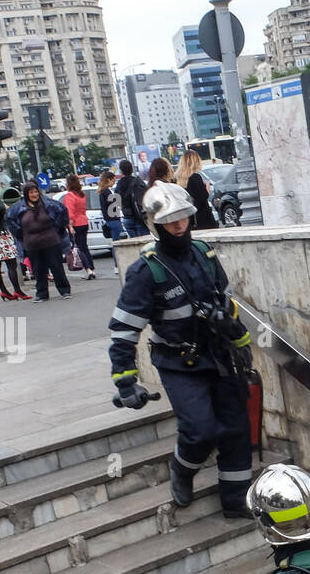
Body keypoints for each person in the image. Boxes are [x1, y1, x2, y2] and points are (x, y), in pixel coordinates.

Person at [107, 182, 252, 512]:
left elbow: (227, 300)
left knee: (235, 428)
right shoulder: (146, 270)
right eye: (171, 220)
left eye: (183, 217)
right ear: (156, 224)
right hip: (179, 363)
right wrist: (126, 380)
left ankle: (235, 500)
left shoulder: (204, 253)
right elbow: (124, 330)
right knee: (200, 431)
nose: (178, 225)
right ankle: (181, 470)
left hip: (219, 355)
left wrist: (233, 329)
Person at [7, 181, 70, 302]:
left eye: (36, 191)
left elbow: (63, 211)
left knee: (57, 267)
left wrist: (58, 227)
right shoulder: (19, 207)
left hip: (51, 241)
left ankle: (64, 290)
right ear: (26, 194)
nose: (34, 194)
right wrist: (20, 234)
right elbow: (9, 219)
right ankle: (42, 293)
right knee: (38, 270)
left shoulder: (48, 203)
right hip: (32, 244)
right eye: (31, 192)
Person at [63, 173, 96, 280]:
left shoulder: (69, 196)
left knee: (78, 248)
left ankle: (88, 270)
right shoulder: (81, 194)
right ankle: (91, 268)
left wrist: (70, 226)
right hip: (84, 222)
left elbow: (70, 212)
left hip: (76, 223)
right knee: (84, 247)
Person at [176, 149, 218, 231]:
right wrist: (207, 187)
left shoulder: (178, 179)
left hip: (187, 219)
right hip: (202, 219)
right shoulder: (195, 177)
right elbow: (203, 198)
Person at [116, 158, 148, 239]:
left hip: (127, 217)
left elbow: (117, 202)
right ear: (131, 169)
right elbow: (147, 197)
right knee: (145, 242)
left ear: (121, 171)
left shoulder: (119, 185)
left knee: (133, 244)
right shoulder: (138, 182)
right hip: (140, 217)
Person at [99, 170, 122, 243]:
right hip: (114, 220)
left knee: (115, 242)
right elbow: (114, 205)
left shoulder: (102, 192)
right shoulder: (107, 192)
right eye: (113, 181)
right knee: (118, 243)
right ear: (108, 180)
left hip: (109, 220)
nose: (114, 183)